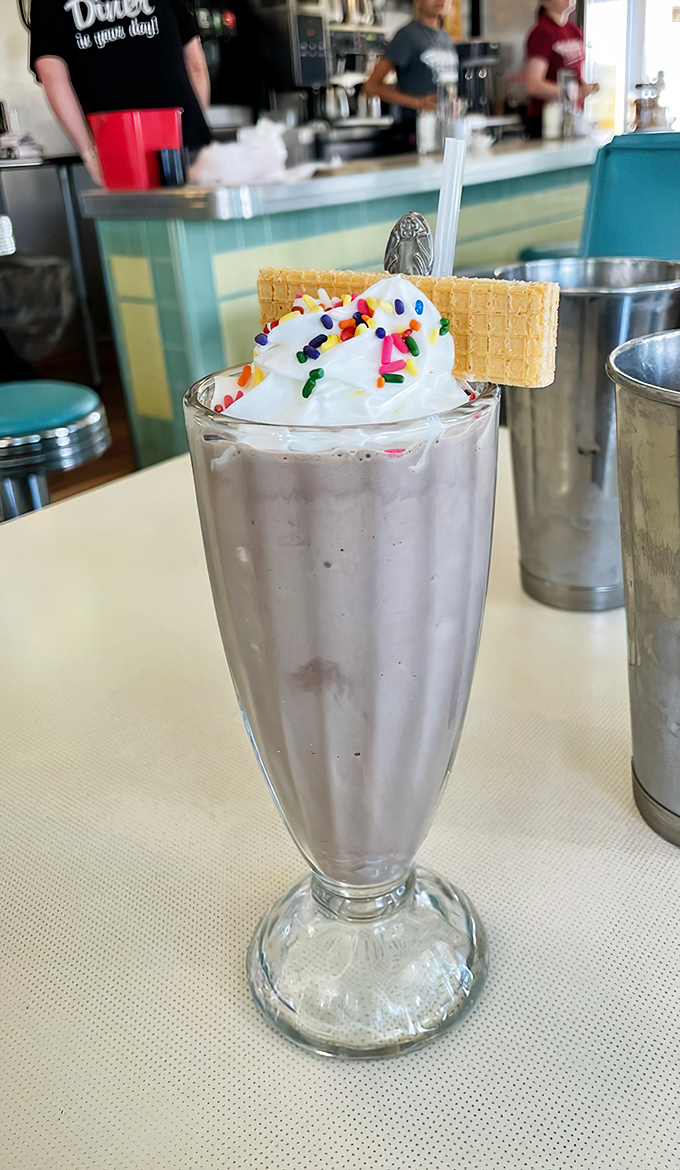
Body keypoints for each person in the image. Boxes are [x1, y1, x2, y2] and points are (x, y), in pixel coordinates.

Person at [26, 0, 212, 184]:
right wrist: (196, 127)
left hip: (118, 146)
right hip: (185, 139)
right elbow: (195, 64)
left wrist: (89, 152)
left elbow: (53, 77)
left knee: (132, 212)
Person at [364, 0, 458, 149]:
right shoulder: (408, 36)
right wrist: (419, 103)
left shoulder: (445, 38)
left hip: (443, 130)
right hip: (414, 134)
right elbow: (371, 87)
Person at [524, 0, 598, 137]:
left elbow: (574, 71)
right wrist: (573, 93)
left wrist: (585, 87)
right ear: (545, 2)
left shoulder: (574, 30)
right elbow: (533, 85)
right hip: (547, 120)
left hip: (573, 115)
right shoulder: (542, 32)